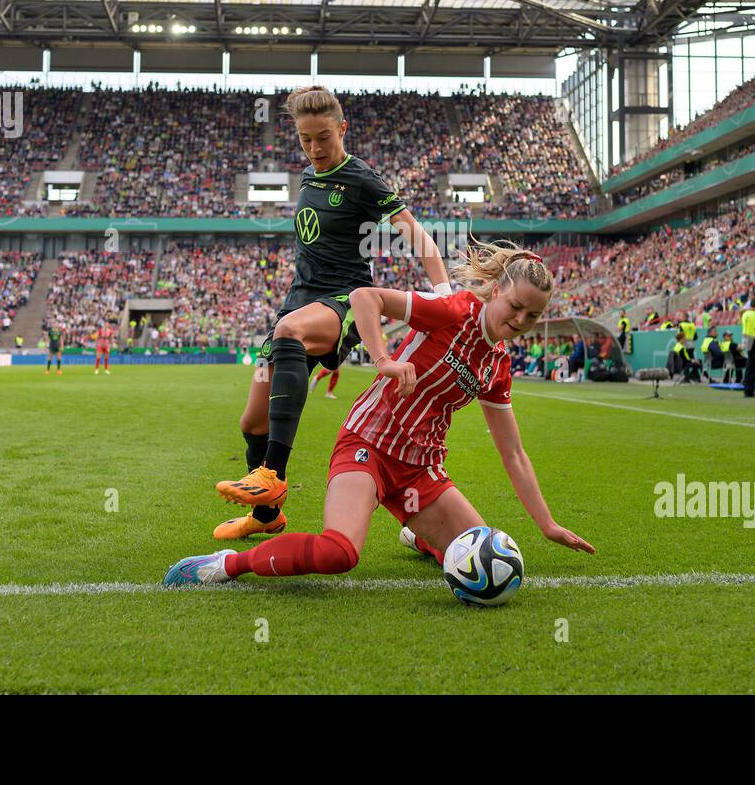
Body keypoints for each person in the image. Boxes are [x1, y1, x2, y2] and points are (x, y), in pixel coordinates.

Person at [164, 242, 594, 588]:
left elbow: (514, 453)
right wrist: (383, 358)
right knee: (339, 553)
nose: (520, 319)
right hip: (367, 444)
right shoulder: (454, 312)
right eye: (516, 306)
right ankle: (228, 565)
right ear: (497, 289)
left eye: (532, 316)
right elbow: (364, 297)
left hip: (421, 471)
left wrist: (547, 523)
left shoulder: (497, 365)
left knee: (483, 554)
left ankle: (418, 533)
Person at [214, 85, 450, 541]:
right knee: (253, 423)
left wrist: (442, 292)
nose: (315, 148)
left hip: (344, 301)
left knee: (288, 330)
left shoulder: (363, 179)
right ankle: (267, 517)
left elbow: (415, 234)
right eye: (305, 139)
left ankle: (272, 475)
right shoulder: (307, 175)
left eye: (323, 136)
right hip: (299, 301)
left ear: (343, 129)